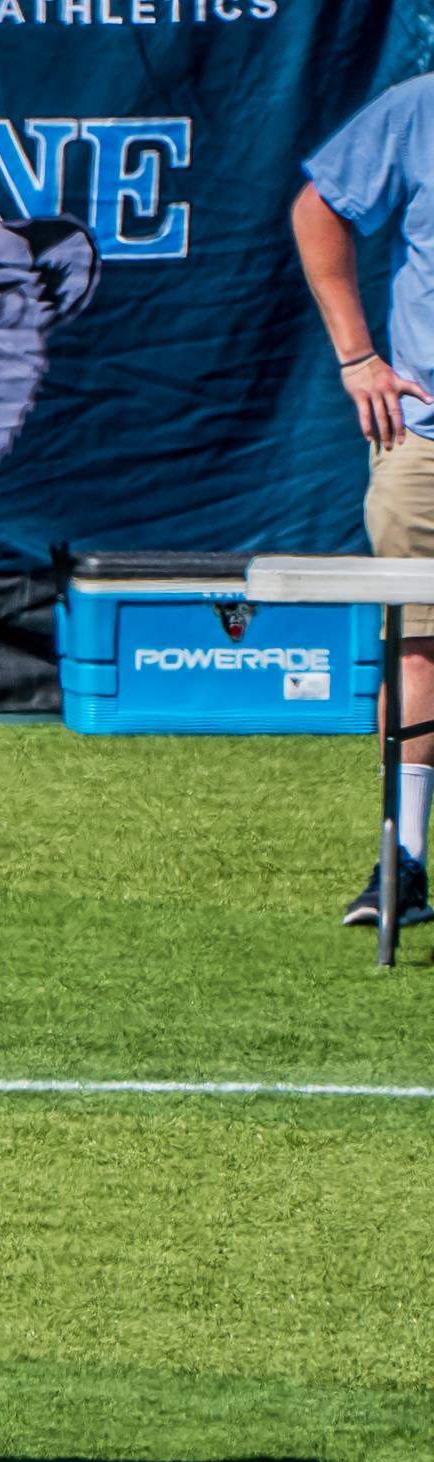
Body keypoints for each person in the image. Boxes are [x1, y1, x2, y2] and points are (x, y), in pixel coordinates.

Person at [296, 83, 434, 928]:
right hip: (426, 442)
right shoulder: (422, 108)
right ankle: (404, 863)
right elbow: (319, 208)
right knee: (420, 646)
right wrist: (358, 359)